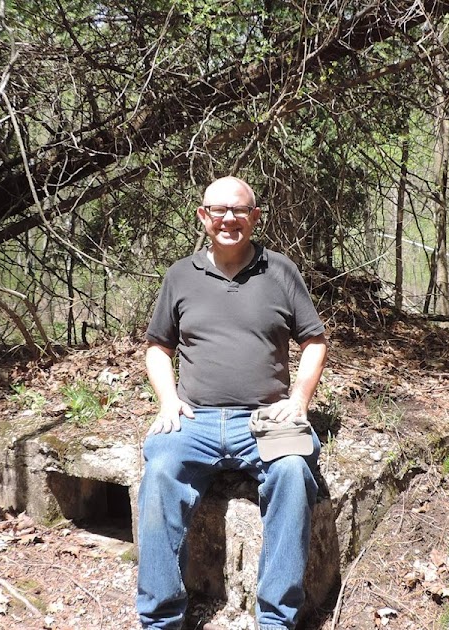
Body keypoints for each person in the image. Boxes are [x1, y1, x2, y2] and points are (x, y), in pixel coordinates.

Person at [136, 176, 328, 630]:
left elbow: (315, 342)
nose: (228, 218)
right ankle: (160, 620)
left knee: (292, 473)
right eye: (218, 210)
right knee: (160, 470)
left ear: (254, 217)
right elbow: (157, 348)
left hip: (265, 418)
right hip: (195, 419)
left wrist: (298, 401)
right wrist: (167, 401)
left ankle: (275, 620)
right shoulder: (180, 275)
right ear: (203, 217)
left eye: (239, 210)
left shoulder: (280, 271)